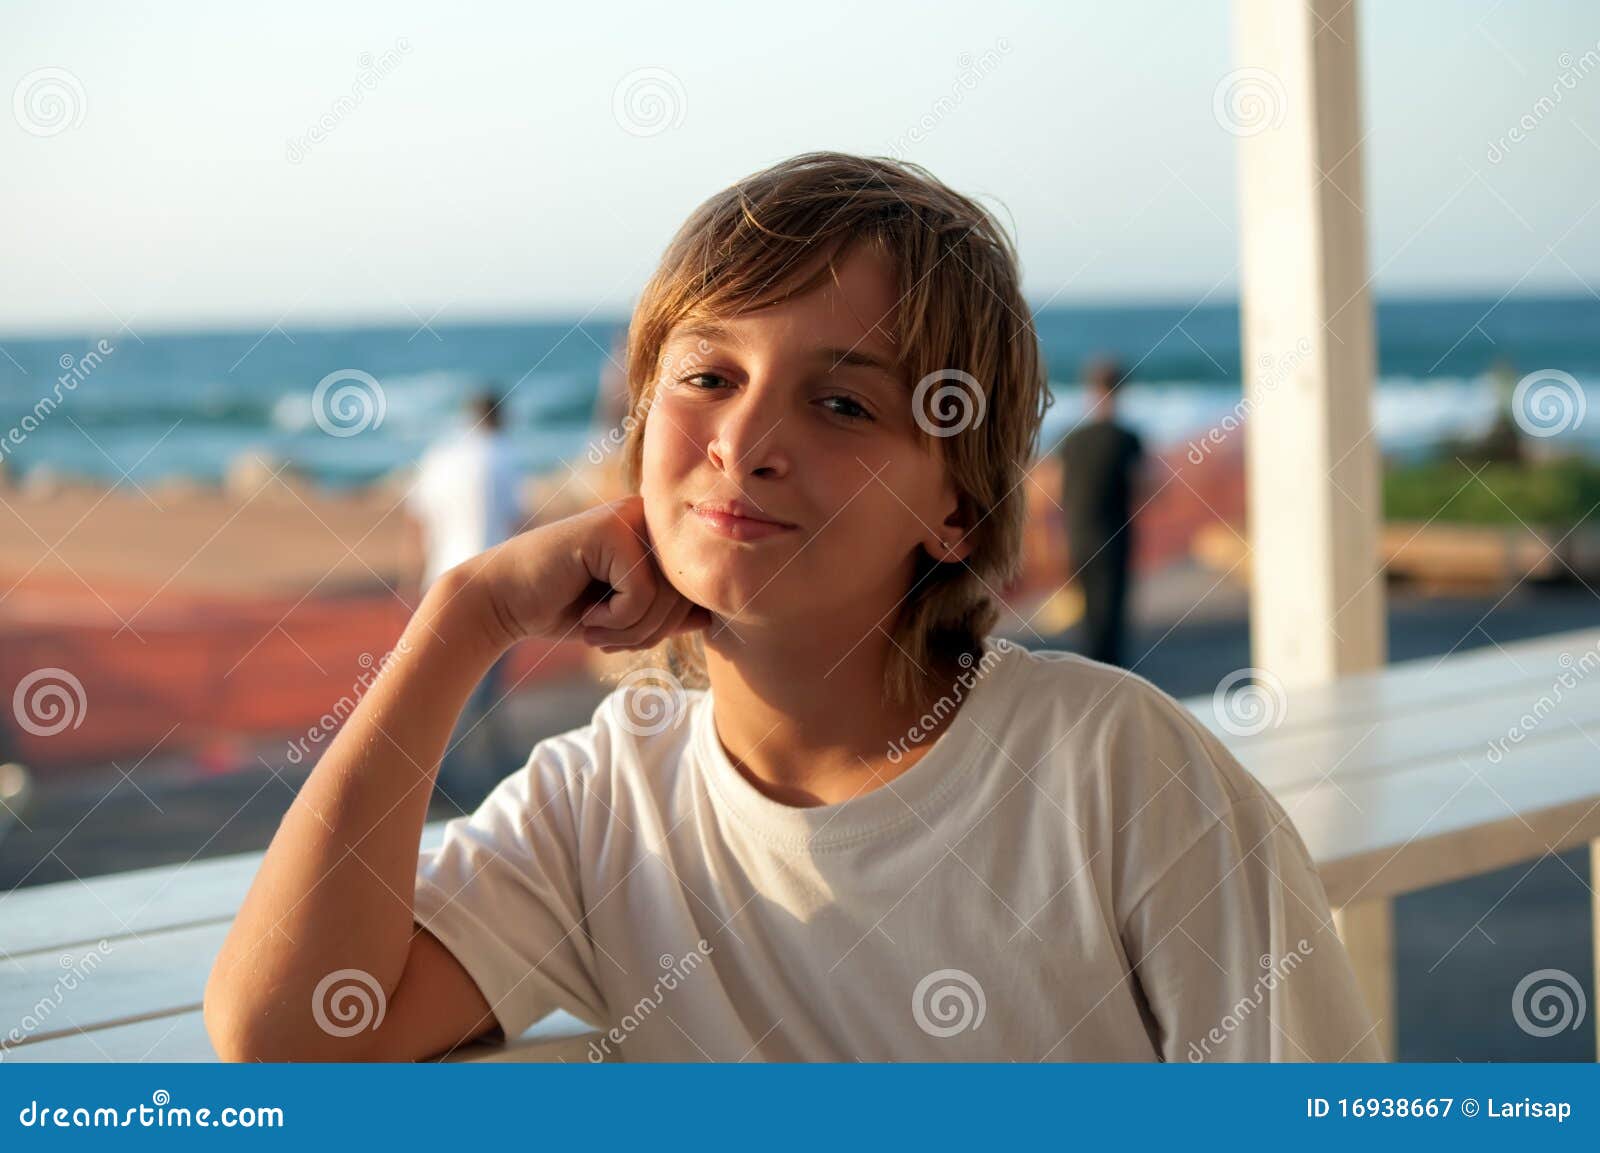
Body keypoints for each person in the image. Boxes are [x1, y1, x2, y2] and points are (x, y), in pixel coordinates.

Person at [206, 152, 1383, 1063]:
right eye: (707, 378)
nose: (746, 445)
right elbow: (288, 1034)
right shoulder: (606, 806)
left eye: (841, 406)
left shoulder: (1112, 771)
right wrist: (463, 614)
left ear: (959, 513)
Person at [402, 388, 522, 801]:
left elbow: (419, 521)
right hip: (490, 582)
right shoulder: (503, 455)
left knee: (445, 682)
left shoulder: (440, 455)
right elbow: (514, 523)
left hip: (439, 582)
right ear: (499, 416)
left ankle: (485, 768)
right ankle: (455, 773)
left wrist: (412, 576)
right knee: (481, 688)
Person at [1057, 358, 1145, 667]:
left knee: (1089, 610)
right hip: (1114, 534)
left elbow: (1059, 491)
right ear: (1121, 392)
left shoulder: (1072, 439)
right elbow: (1145, 489)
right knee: (1111, 613)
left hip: (1078, 532)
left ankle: (1091, 672)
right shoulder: (1127, 439)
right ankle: (1110, 677)